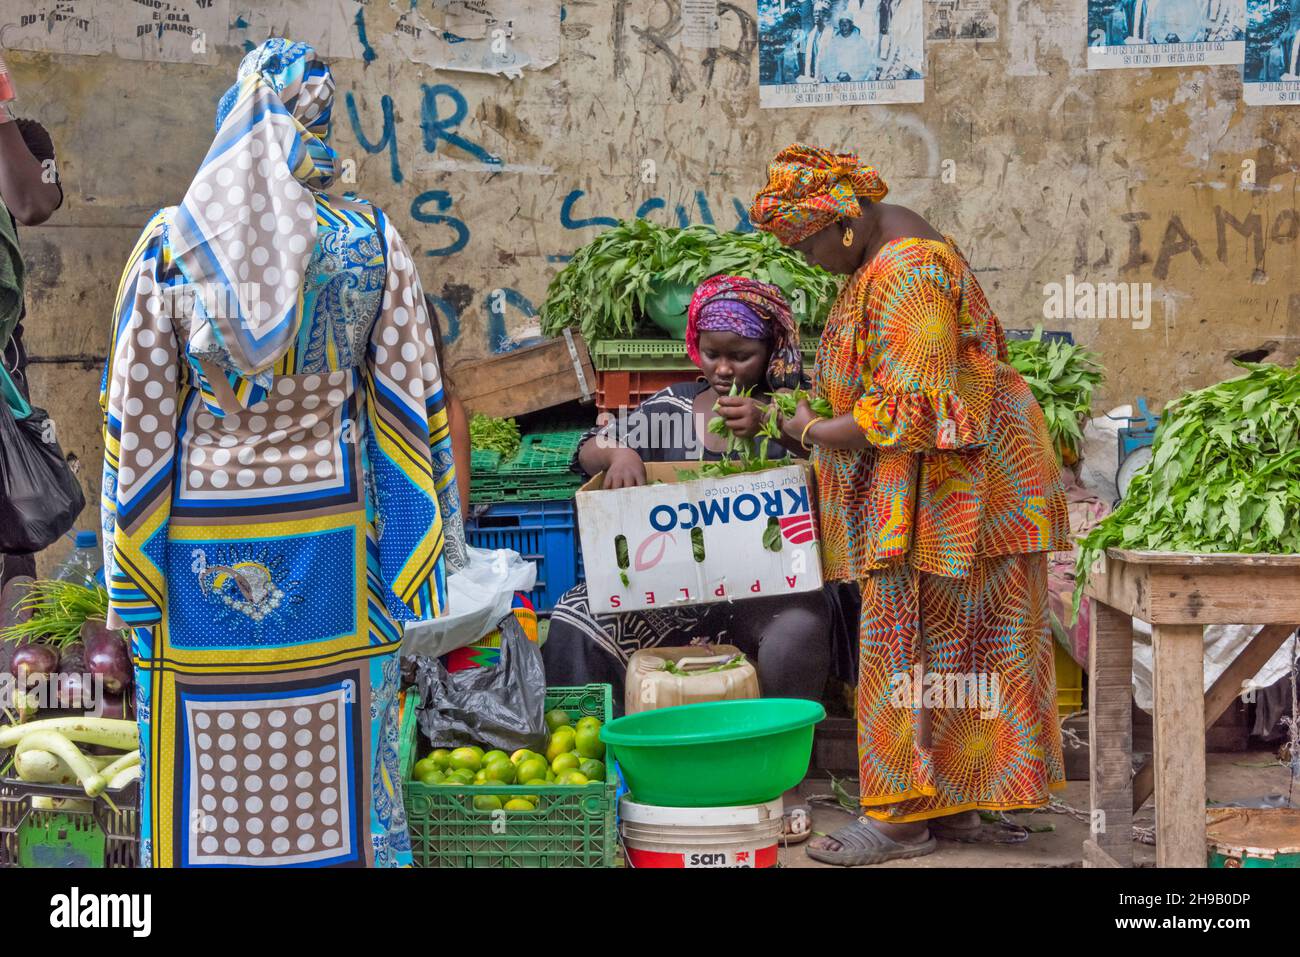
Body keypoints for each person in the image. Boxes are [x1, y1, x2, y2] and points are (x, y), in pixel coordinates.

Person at [100, 39, 457, 868]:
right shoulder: (371, 240)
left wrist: (133, 570)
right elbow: (407, 400)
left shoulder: (171, 244)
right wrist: (413, 543)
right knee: (340, 755)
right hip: (334, 536)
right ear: (319, 127)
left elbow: (138, 418)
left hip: (195, 550)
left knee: (203, 765)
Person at [749, 145, 1071, 865]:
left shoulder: (906, 272)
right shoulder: (883, 253)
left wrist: (802, 427)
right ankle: (950, 806)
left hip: (961, 492)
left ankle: (899, 818)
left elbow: (904, 414)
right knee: (954, 646)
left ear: (846, 223)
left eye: (806, 246)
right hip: (950, 485)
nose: (808, 261)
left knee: (911, 646)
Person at [542, 275, 843, 839]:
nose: (724, 370)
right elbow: (589, 446)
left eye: (741, 356)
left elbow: (839, 466)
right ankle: (590, 773)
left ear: (772, 351)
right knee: (574, 616)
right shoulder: (675, 406)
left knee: (799, 627)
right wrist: (621, 449)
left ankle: (786, 783)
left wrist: (777, 425)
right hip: (673, 593)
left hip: (768, 592)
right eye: (711, 354)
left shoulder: (800, 407)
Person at [0, 107, 64, 588]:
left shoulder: (23, 137)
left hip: (2, 375)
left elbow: (33, 205)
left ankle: (13, 655)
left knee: (11, 521)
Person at [823, 15, 876, 82]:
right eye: (841, 25)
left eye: (846, 24)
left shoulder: (861, 42)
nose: (843, 27)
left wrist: (851, 75)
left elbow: (866, 65)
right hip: (837, 82)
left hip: (855, 81)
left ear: (851, 25)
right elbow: (827, 64)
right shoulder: (833, 42)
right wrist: (837, 75)